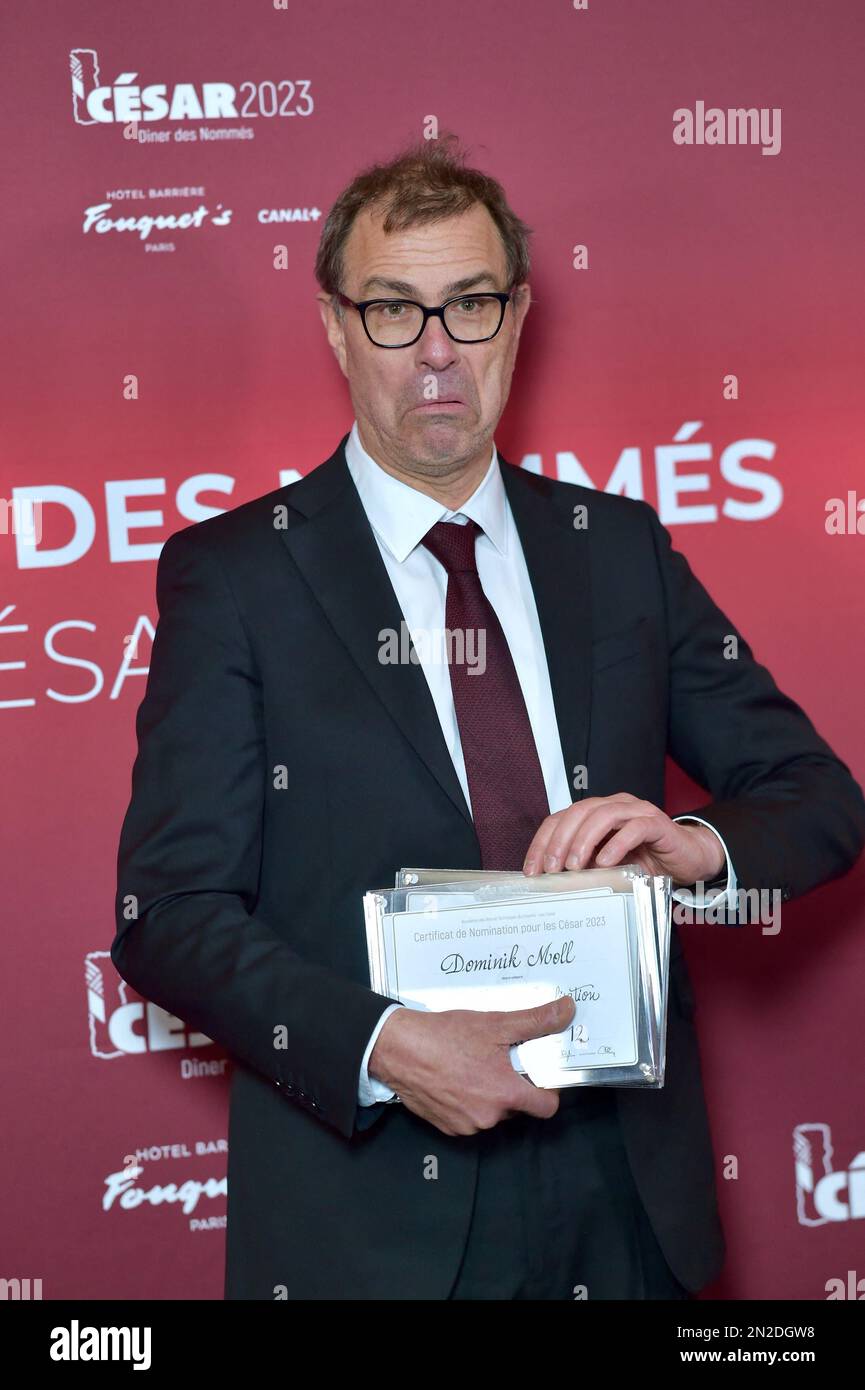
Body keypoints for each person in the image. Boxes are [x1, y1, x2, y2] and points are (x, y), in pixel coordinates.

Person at [113, 135, 865, 1300]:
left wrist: (694, 847)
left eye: (468, 305)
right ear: (333, 327)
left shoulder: (615, 551)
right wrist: (384, 1049)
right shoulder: (235, 579)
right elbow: (166, 914)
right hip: (373, 1223)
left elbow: (818, 799)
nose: (434, 353)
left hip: (627, 1204)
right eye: (392, 310)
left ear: (516, 317)